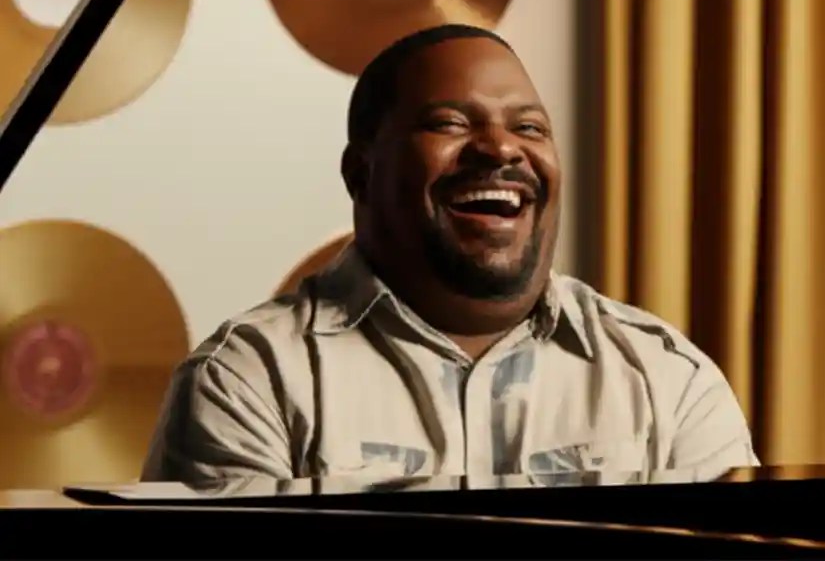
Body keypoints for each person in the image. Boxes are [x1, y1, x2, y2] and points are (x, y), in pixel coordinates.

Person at [140, 24, 759, 484]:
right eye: (450, 123)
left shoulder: (669, 381)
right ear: (360, 175)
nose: (501, 149)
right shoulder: (250, 381)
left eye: (529, 127)